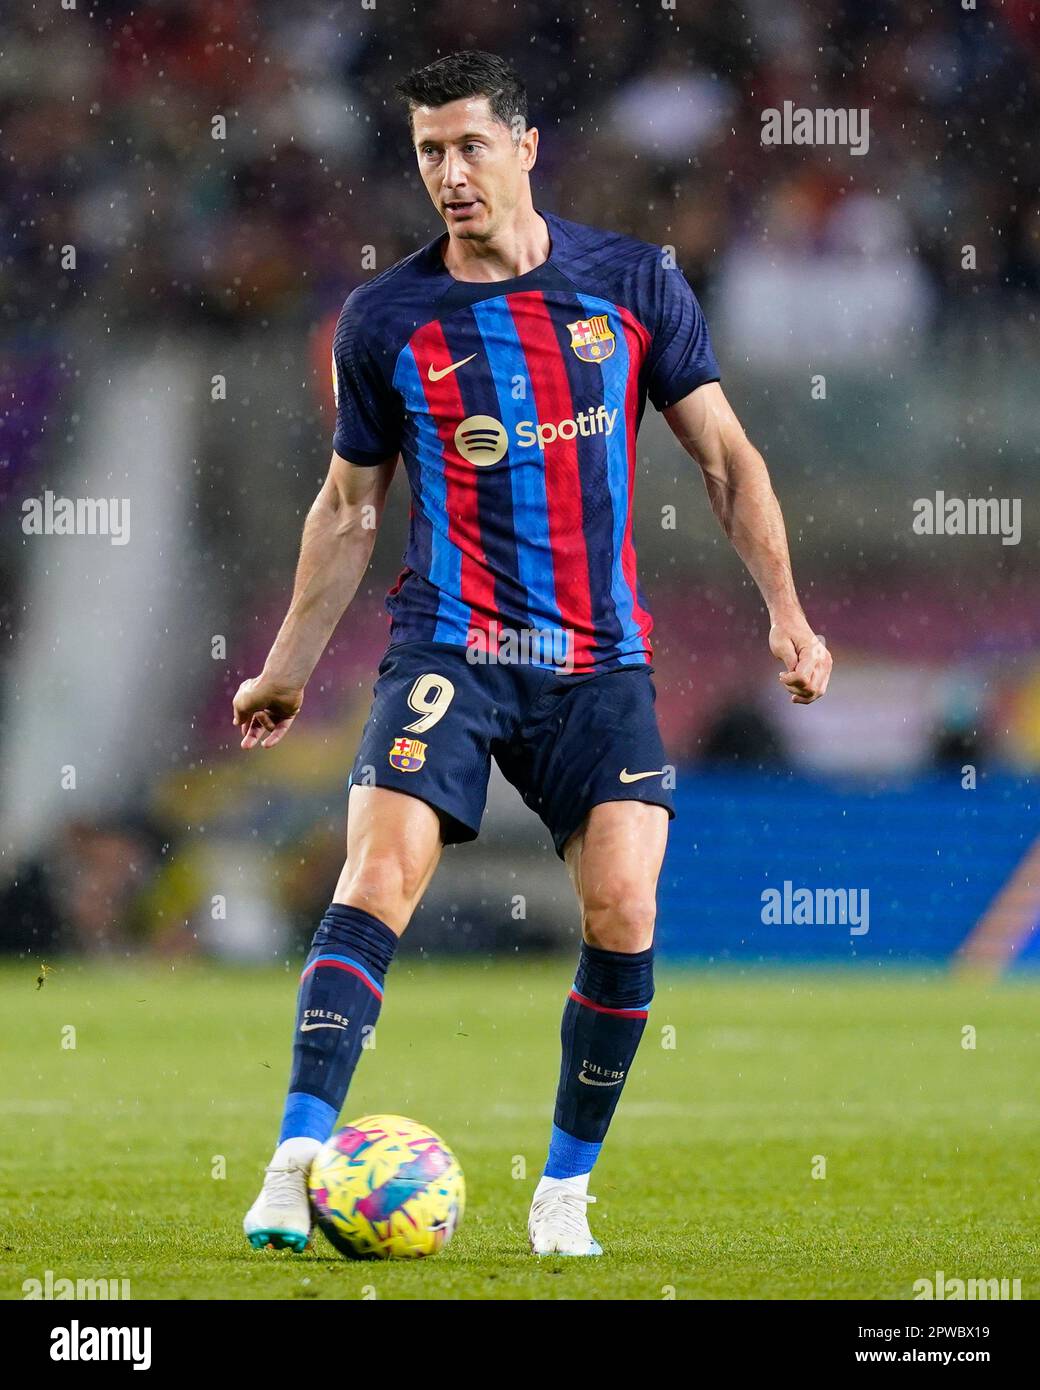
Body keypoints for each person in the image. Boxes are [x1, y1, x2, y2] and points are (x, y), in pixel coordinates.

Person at [235, 50, 832, 1257]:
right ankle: (295, 1158)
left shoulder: (631, 282)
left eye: (466, 146)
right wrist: (288, 663)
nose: (447, 174)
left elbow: (725, 459)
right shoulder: (385, 318)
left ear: (523, 146)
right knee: (378, 876)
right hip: (448, 642)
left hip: (595, 660)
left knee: (621, 905)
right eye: (425, 152)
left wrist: (786, 610)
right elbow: (349, 506)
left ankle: (562, 1190)